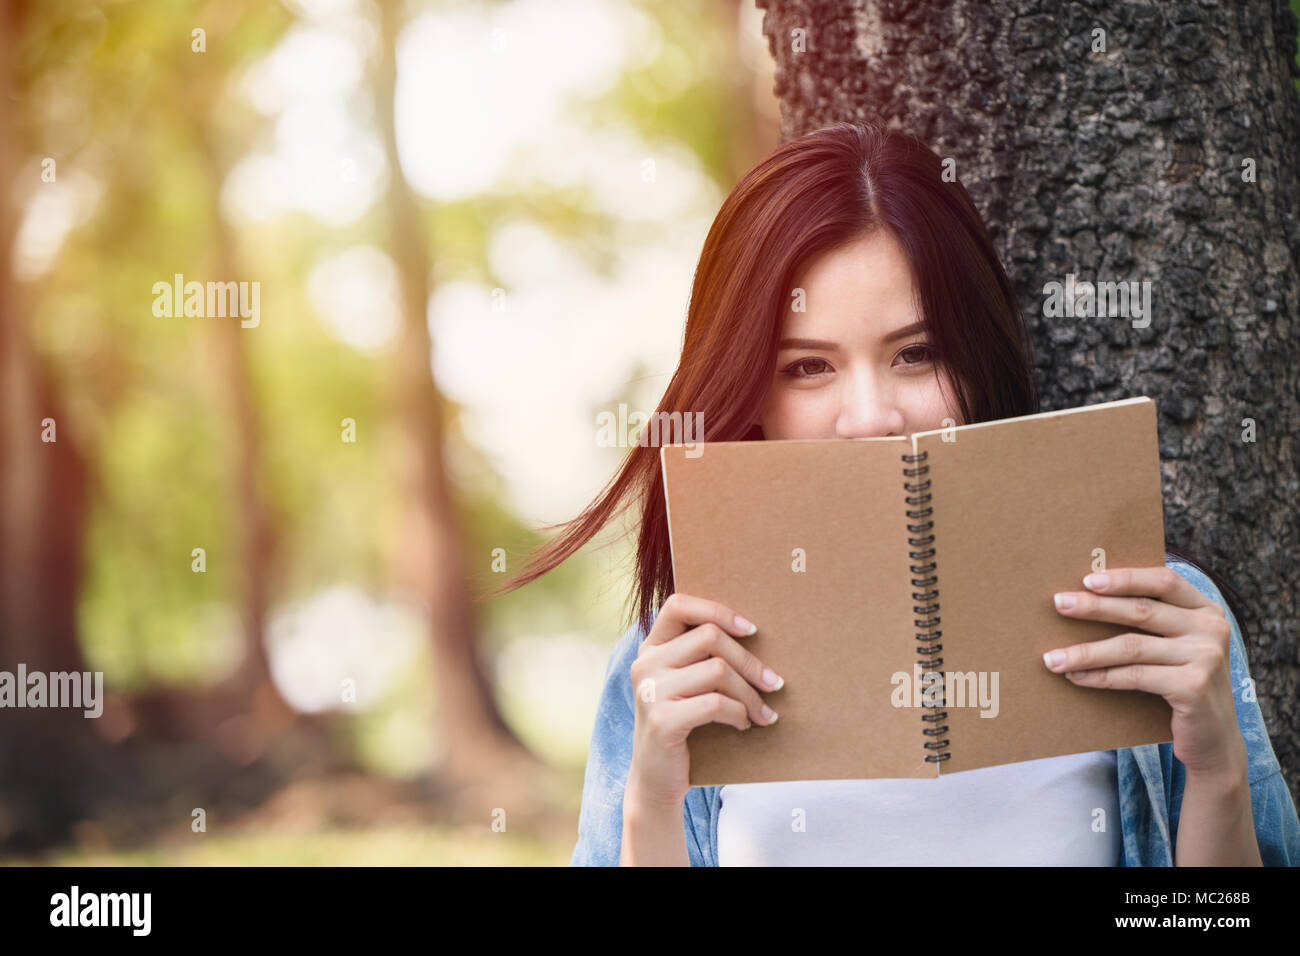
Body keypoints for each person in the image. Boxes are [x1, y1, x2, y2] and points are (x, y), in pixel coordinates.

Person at [488, 122, 1300, 865]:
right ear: (751, 397)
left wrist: (1217, 773)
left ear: (977, 362)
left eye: (916, 354)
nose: (871, 418)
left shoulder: (1154, 621)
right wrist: (652, 809)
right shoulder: (675, 668)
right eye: (808, 366)